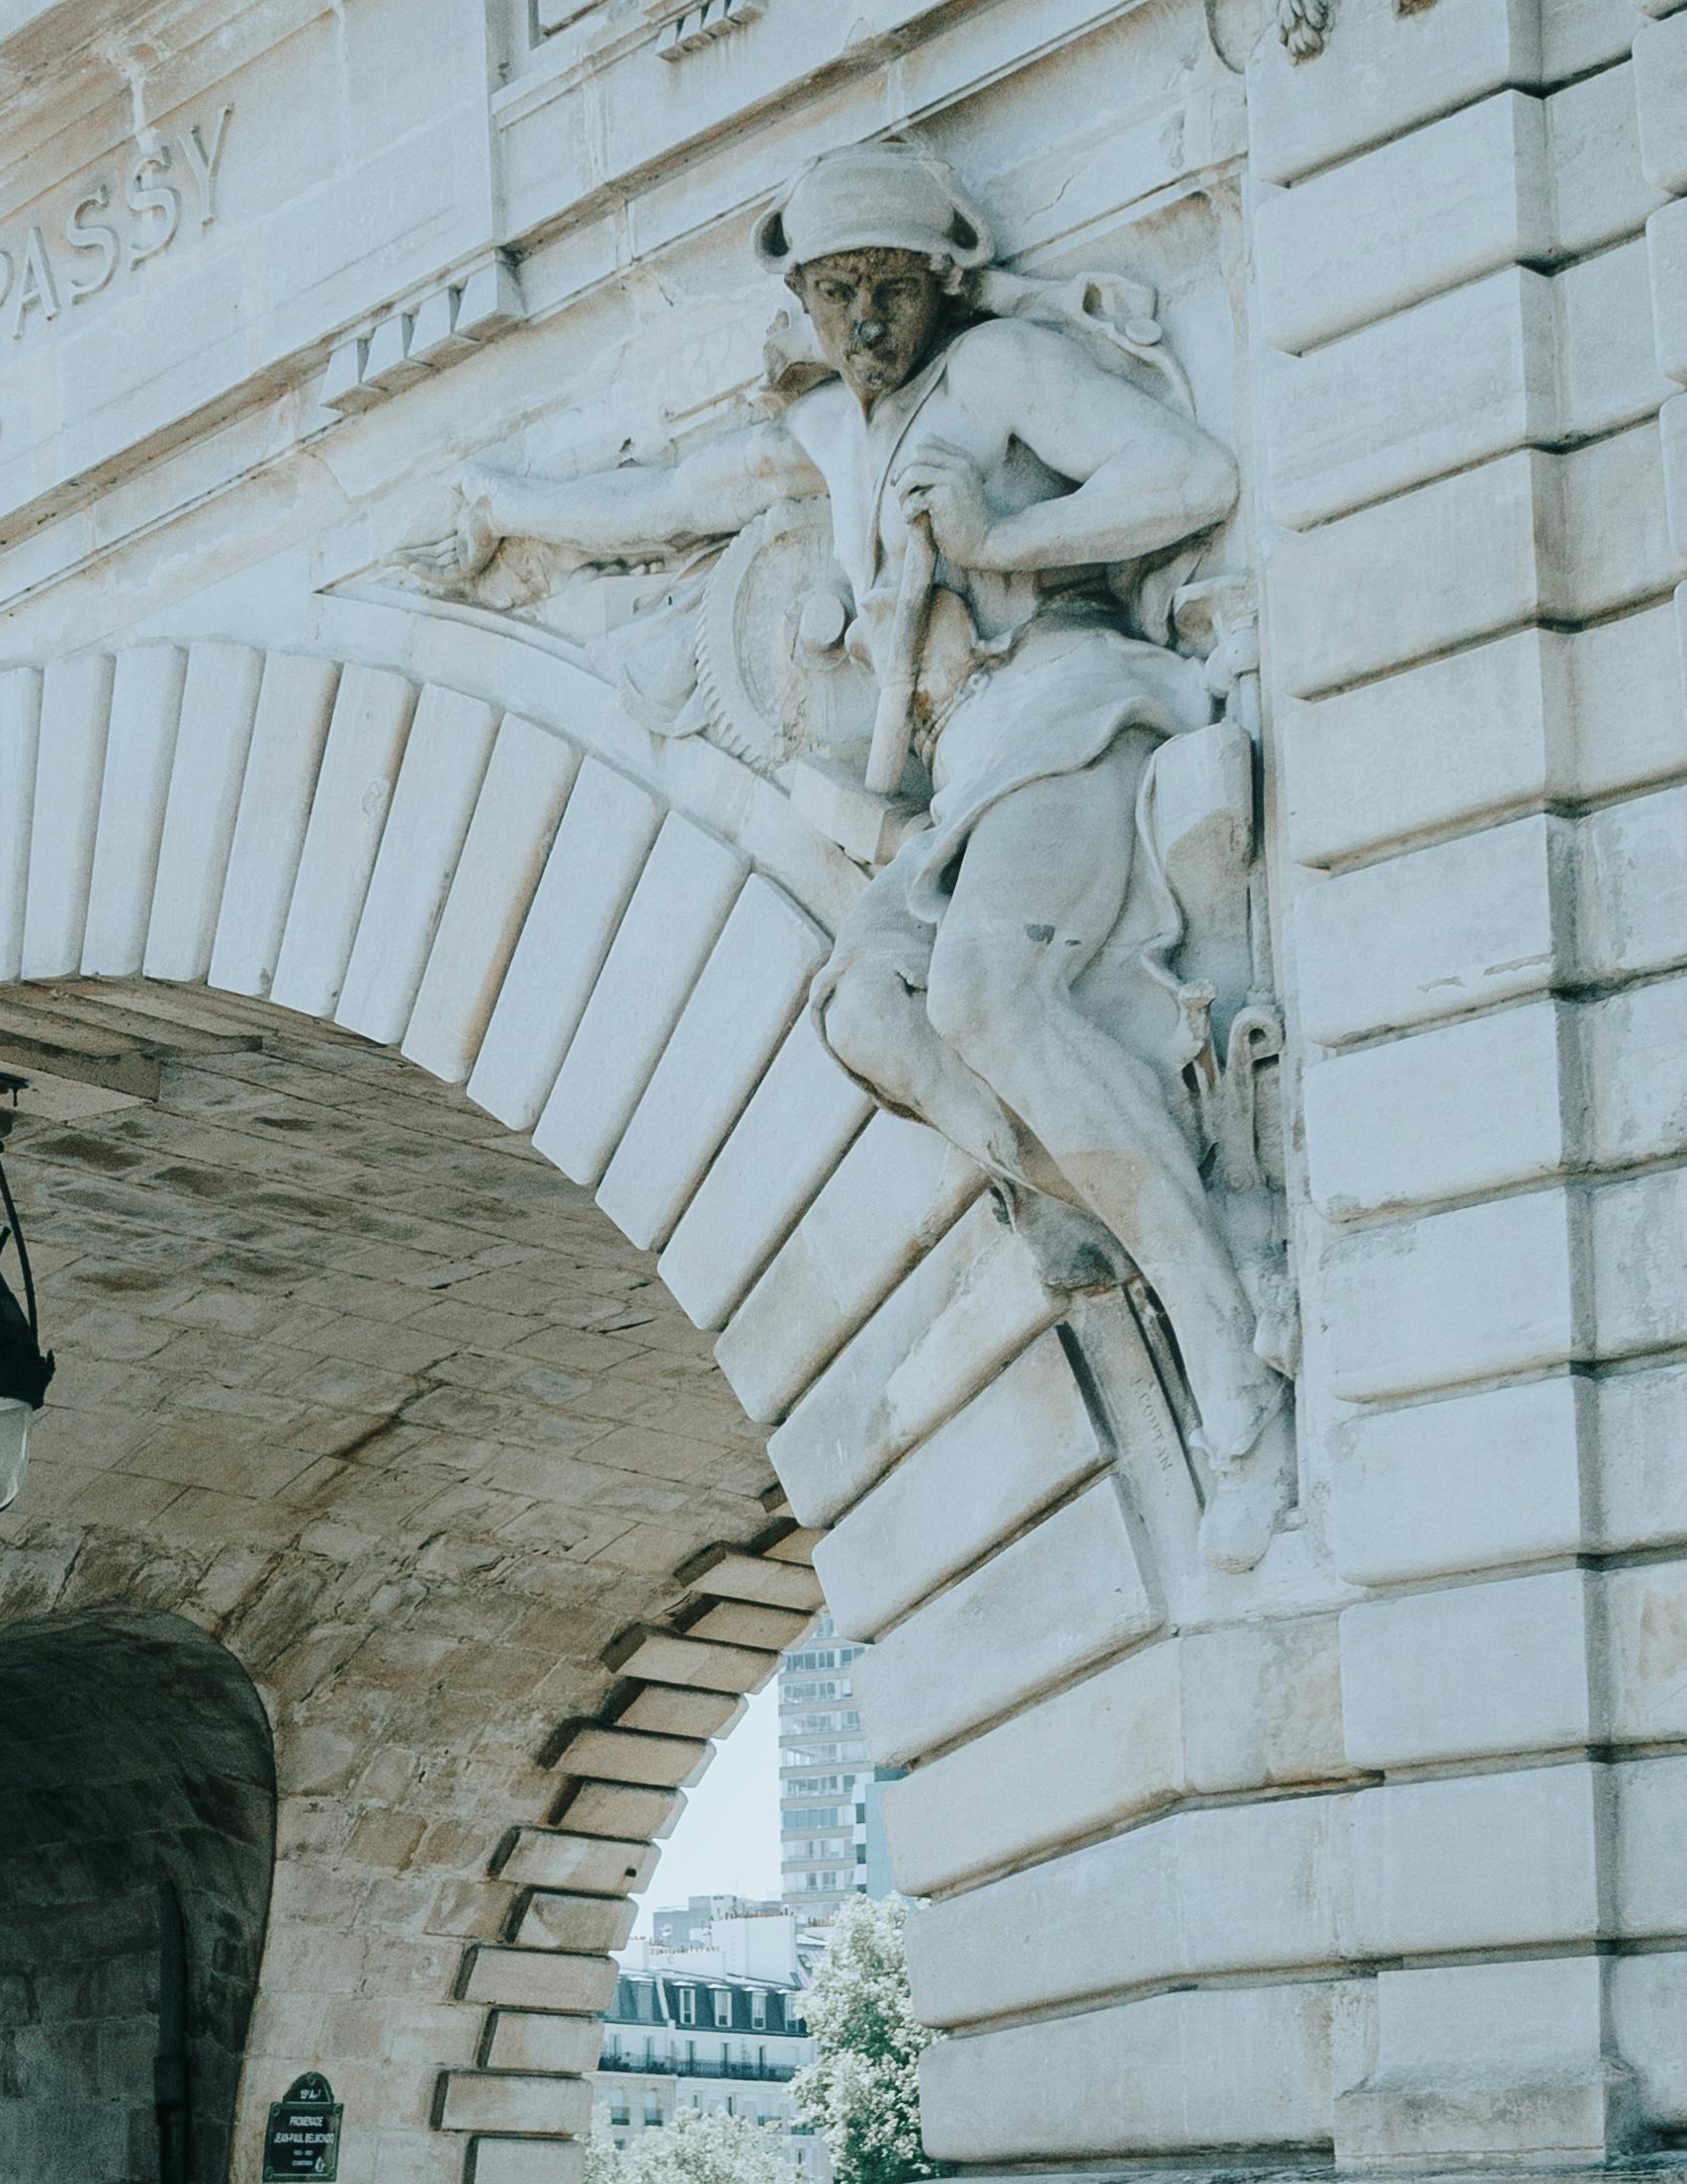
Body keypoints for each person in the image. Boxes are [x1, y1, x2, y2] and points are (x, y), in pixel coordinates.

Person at [437, 138, 1288, 1564]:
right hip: (960, 781)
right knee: (871, 1010)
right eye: (837, 297)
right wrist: (511, 505)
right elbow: (666, 501)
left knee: (982, 997)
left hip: (1073, 714)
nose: (865, 326)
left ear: (940, 280)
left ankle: (1231, 1353)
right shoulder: (833, 435)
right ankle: (1151, 1218)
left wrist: (1012, 532)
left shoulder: (1003, 375)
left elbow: (1189, 471)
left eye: (888, 289)